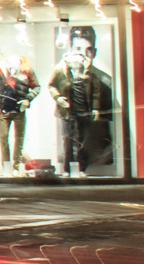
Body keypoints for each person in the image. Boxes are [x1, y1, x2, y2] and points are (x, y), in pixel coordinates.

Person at [47, 27, 115, 175]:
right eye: (78, 48)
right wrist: (58, 98)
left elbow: (97, 92)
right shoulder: (61, 69)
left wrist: (95, 108)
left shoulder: (101, 79)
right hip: (67, 112)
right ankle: (67, 169)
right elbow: (51, 85)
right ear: (70, 49)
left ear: (94, 52)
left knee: (81, 141)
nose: (82, 54)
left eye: (88, 50)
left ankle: (81, 168)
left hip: (85, 114)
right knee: (67, 140)